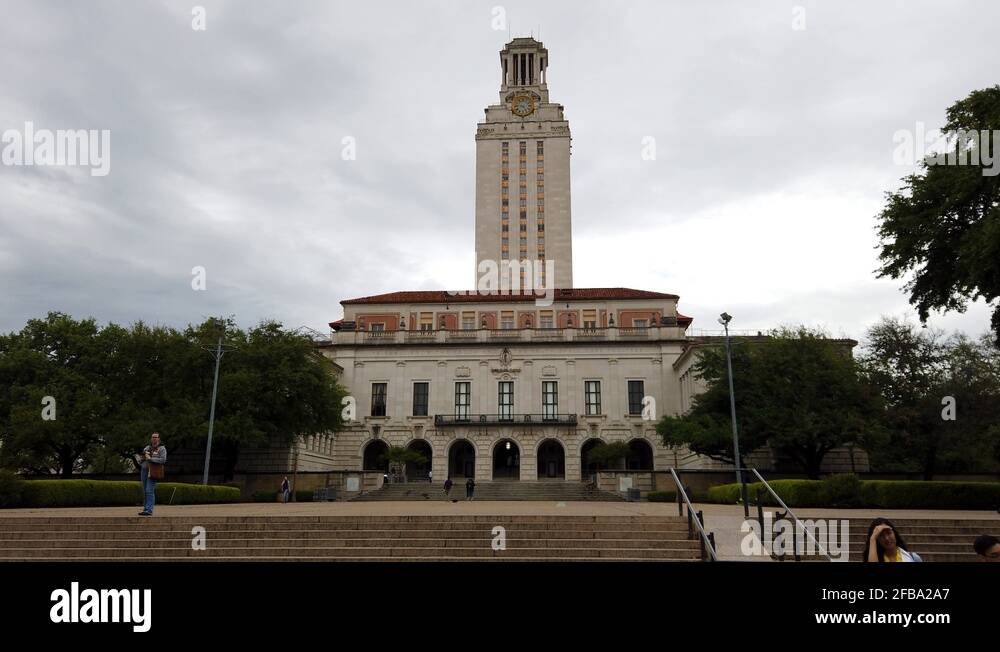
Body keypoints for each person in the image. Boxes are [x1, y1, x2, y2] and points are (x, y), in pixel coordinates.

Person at [138, 432, 167, 517]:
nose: (154, 439)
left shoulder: (162, 448)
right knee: (144, 491)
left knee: (149, 490)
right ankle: (145, 509)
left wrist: (151, 459)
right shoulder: (147, 447)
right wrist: (142, 458)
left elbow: (163, 460)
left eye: (156, 437)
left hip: (153, 471)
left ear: (159, 439)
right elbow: (142, 457)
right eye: (153, 437)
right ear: (151, 439)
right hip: (144, 470)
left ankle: (149, 510)